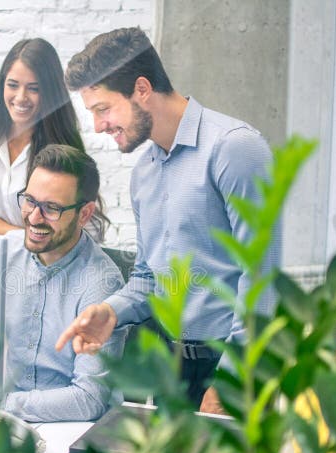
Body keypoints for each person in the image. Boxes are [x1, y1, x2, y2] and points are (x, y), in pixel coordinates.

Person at [57, 27, 279, 413]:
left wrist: (233, 378)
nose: (98, 126)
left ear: (142, 89)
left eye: (102, 109)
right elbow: (148, 278)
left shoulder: (234, 148)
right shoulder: (145, 171)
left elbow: (262, 278)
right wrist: (111, 312)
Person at [1, 144, 125, 423]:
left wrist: (2, 403)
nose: (34, 217)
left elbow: (89, 398)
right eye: (30, 200)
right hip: (1, 425)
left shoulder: (101, 283)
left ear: (84, 214)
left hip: (69, 429)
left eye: (51, 209)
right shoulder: (2, 256)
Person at [0, 37, 109, 241]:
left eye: (33, 88)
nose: (21, 97)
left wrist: (32, 241)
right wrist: (23, 237)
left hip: (48, 262)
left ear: (49, 93)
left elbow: (85, 226)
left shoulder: (62, 150)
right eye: (13, 85)